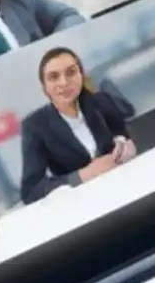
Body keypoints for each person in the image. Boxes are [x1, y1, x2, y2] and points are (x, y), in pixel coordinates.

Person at [19, 48, 138, 205]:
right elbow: (31, 190)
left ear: (81, 76)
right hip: (82, 205)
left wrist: (126, 147)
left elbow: (125, 135)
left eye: (71, 72)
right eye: (54, 77)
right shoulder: (36, 126)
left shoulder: (101, 102)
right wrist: (82, 175)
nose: (64, 82)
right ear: (45, 88)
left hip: (126, 188)